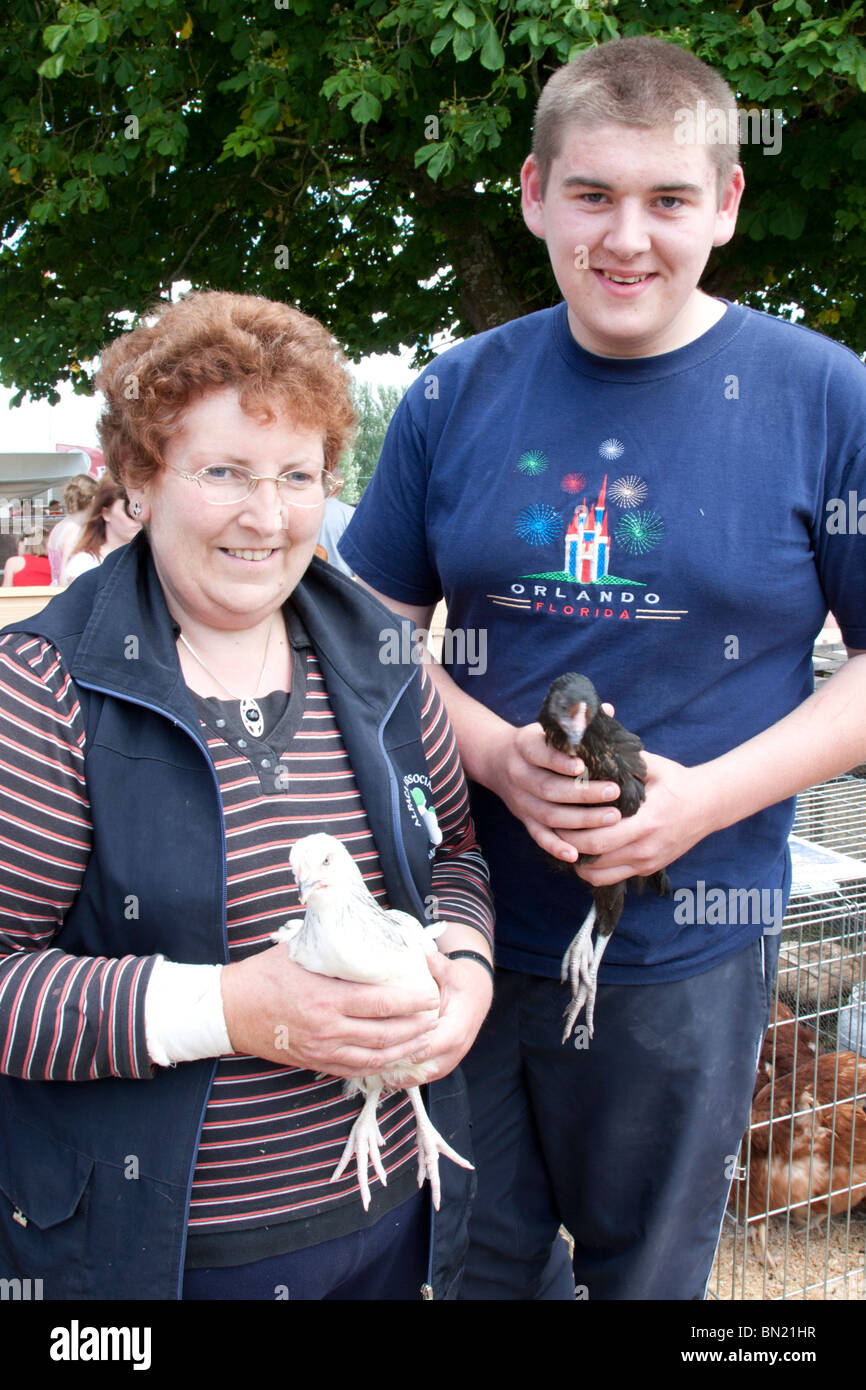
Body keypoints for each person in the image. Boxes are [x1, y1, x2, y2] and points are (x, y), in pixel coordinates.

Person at [340, 35, 866, 1299]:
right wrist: (486, 756)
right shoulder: (451, 395)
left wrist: (699, 801)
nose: (625, 236)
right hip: (455, 933)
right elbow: (358, 637)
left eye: (668, 198)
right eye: (591, 194)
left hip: (688, 948)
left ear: (726, 206)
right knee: (473, 1272)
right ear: (532, 193)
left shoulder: (823, 397)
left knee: (645, 1281)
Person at [0, 290, 494, 1301]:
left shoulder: (384, 657)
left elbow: (454, 856)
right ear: (140, 478)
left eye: (297, 476)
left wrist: (466, 970)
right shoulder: (45, 686)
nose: (267, 518)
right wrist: (229, 1010)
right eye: (223, 471)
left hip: (390, 1225)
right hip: (160, 1260)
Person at [63, 474, 142, 580]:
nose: (136, 517)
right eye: (127, 509)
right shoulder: (84, 564)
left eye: (139, 508)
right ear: (106, 513)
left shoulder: (149, 560)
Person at [46, 472, 98, 584]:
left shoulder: (59, 526)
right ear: (93, 499)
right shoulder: (75, 531)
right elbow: (65, 576)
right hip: (65, 591)